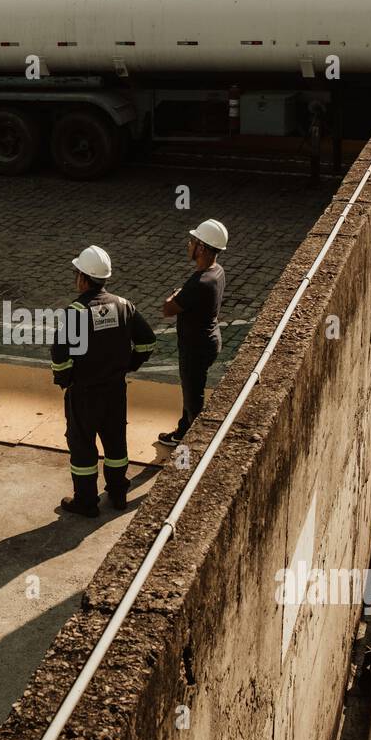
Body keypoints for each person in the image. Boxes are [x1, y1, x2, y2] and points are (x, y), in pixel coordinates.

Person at [50, 245, 156, 518]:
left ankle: (86, 502)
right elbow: (148, 341)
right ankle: (118, 493)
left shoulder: (75, 312)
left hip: (84, 393)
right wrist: (130, 364)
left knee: (83, 446)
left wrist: (66, 380)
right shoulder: (124, 306)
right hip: (115, 389)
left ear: (84, 278)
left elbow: (60, 357)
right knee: (116, 442)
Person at [158, 219, 228, 447]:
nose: (188, 245)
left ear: (202, 248)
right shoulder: (216, 271)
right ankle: (182, 431)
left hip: (195, 347)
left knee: (193, 397)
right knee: (191, 388)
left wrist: (175, 296)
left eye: (192, 241)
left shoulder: (201, 281)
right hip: (209, 340)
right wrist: (182, 294)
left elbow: (168, 309)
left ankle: (196, 444)